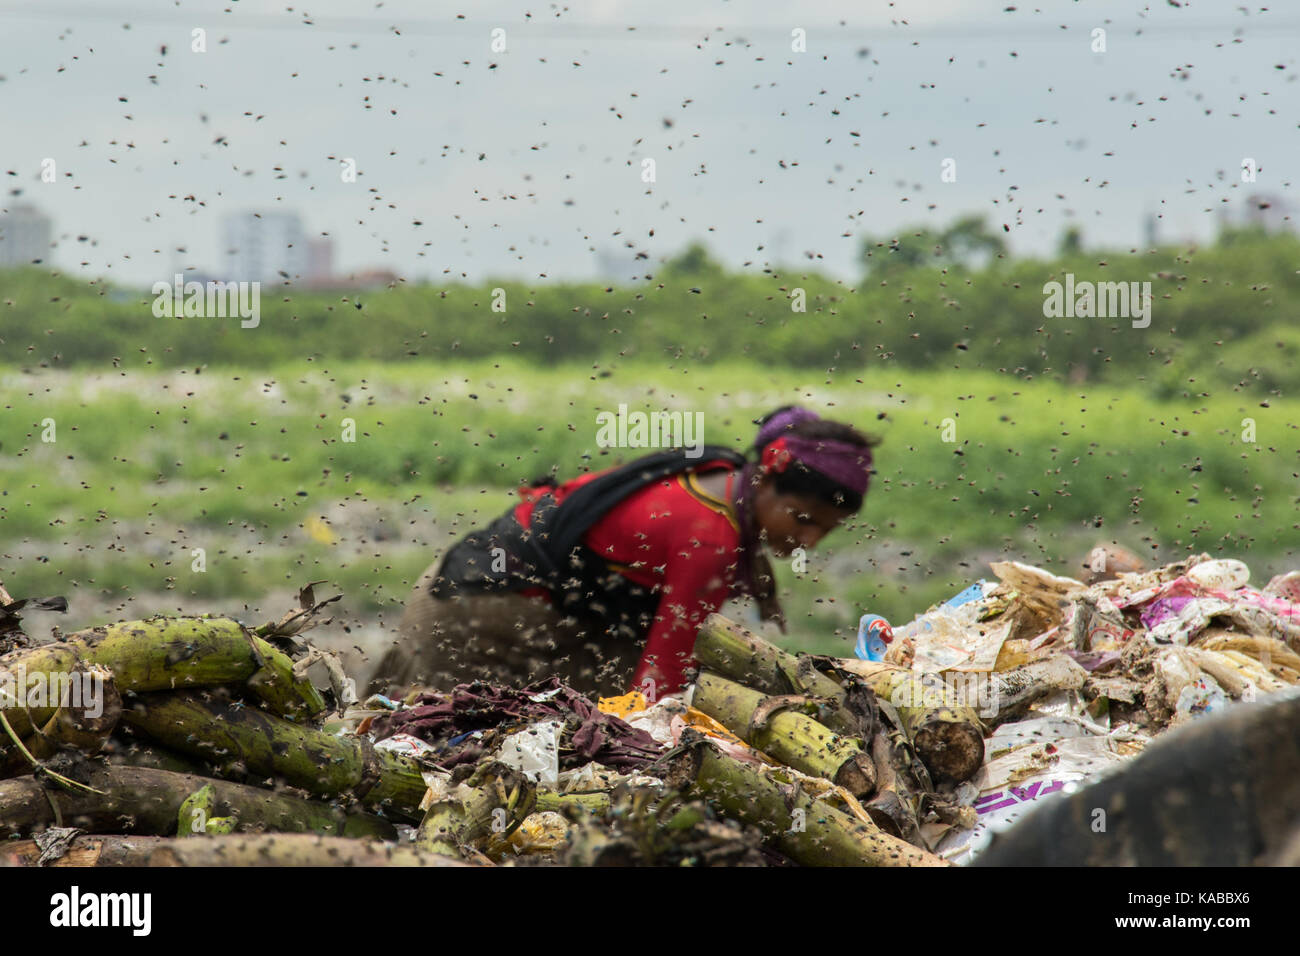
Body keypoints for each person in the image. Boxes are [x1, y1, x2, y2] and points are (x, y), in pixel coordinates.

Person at [367, 405, 877, 699]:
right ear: (764, 479)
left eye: (826, 530)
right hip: (476, 615)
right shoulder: (711, 539)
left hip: (490, 588)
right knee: (437, 743)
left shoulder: (720, 476)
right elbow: (661, 674)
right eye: (803, 519)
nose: (809, 540)